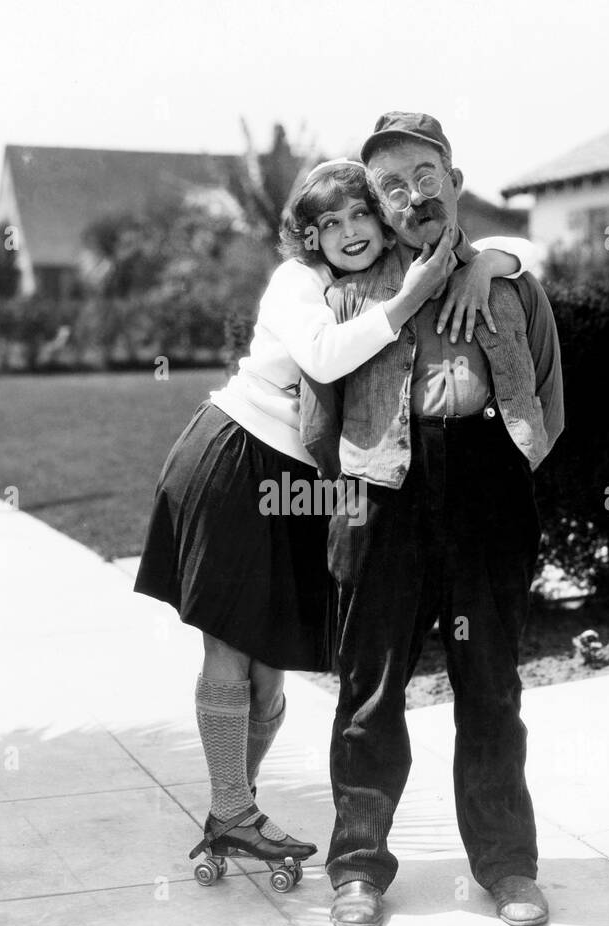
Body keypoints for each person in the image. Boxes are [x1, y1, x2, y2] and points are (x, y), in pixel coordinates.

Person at [133, 157, 537, 889]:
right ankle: (231, 806)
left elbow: (512, 253)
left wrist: (487, 263)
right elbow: (324, 352)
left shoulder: (378, 271)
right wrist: (411, 297)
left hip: (301, 480)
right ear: (309, 235)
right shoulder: (300, 283)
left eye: (360, 216)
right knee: (230, 647)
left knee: (271, 660)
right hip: (237, 457)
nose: (349, 232)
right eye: (329, 223)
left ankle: (233, 808)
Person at [300, 114, 565, 926]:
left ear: (453, 179)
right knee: (370, 690)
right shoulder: (351, 293)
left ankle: (509, 865)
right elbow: (319, 417)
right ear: (376, 208)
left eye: (423, 173)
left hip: (485, 484)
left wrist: (514, 459)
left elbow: (548, 391)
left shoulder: (511, 281)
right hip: (383, 491)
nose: (411, 193)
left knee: (491, 686)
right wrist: (358, 485)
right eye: (389, 185)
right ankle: (357, 868)